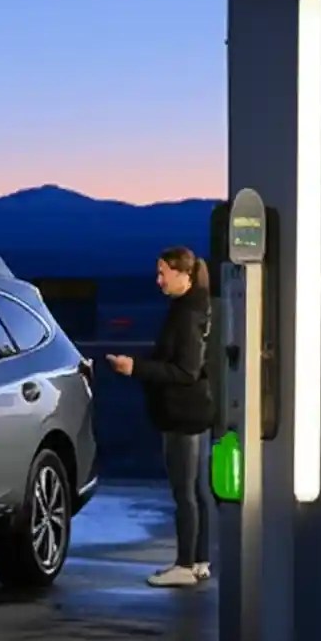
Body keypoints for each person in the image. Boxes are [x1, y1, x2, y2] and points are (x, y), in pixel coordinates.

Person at [105, 246, 215, 588]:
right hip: (195, 411)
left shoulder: (186, 315)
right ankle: (198, 559)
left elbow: (185, 370)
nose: (158, 280)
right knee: (197, 490)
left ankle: (184, 563)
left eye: (163, 272)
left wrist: (134, 367)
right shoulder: (194, 308)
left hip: (183, 413)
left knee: (185, 492)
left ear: (184, 274)